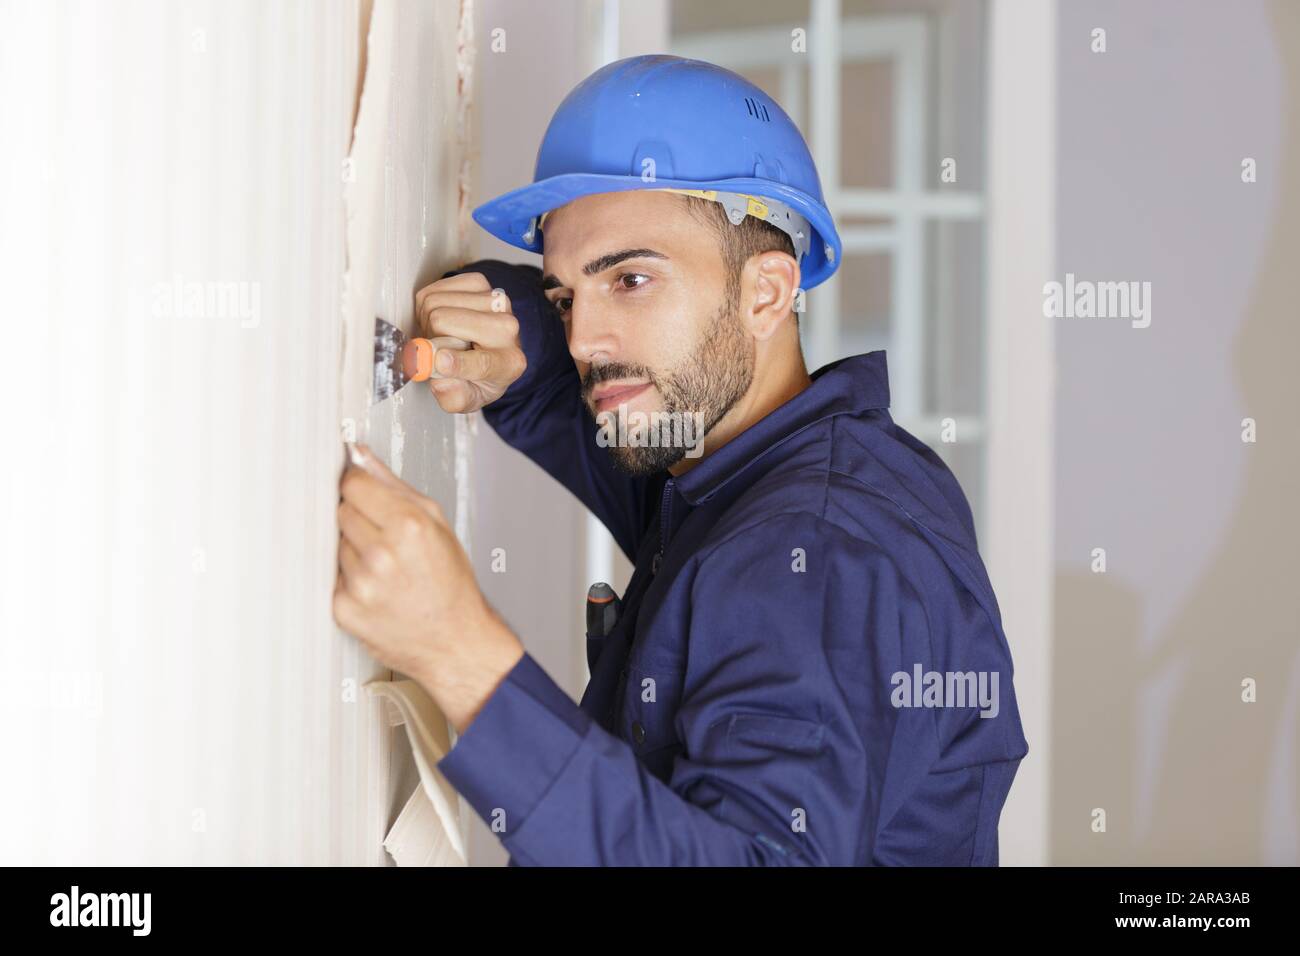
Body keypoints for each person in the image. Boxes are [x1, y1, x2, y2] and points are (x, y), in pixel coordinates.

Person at [332, 54, 1028, 865]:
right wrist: (508, 324)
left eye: (631, 279)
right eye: (566, 296)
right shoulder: (754, 469)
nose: (584, 340)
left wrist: (460, 654)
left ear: (767, 292)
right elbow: (565, 381)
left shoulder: (814, 551)